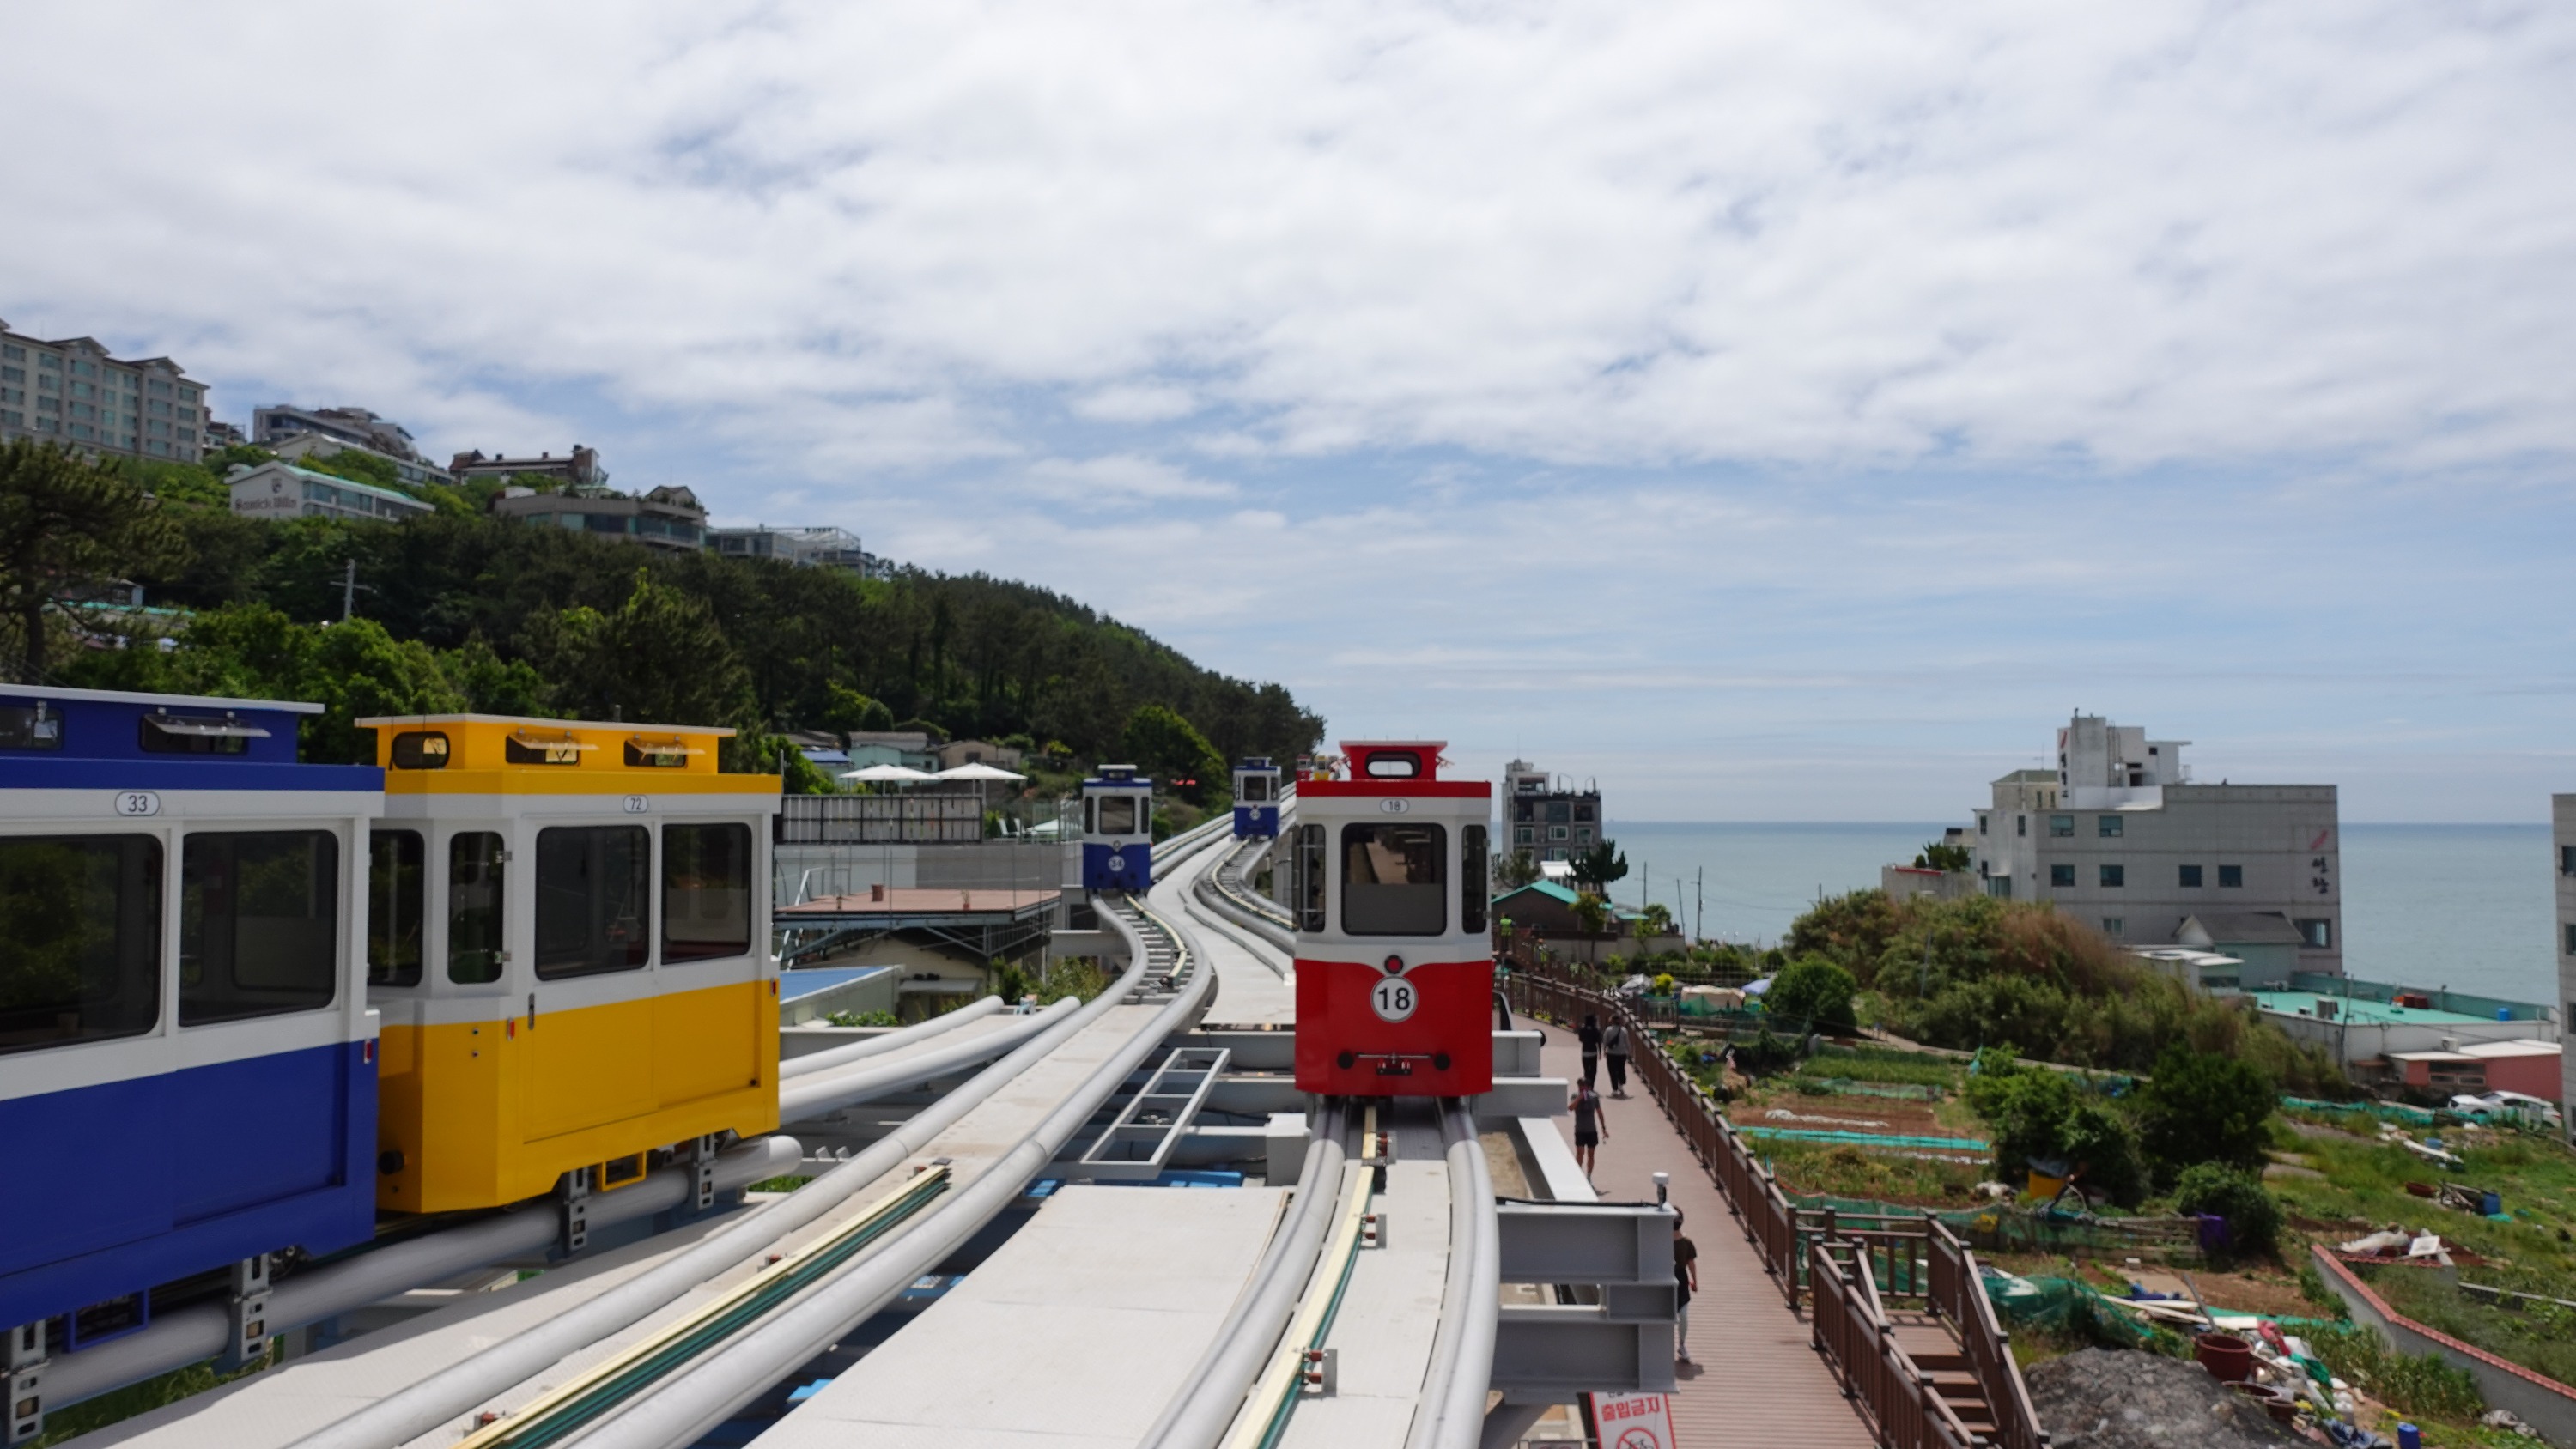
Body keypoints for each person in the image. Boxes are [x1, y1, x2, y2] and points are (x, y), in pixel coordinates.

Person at [1673, 1210, 1699, 1366]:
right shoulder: (1660, 1241)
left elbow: (1691, 1262)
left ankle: (1682, 1344)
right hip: (1664, 1278)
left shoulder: (1686, 1243)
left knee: (1683, 1315)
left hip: (1681, 1279)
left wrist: (1694, 1281)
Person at [1569, 1079, 1606, 1179]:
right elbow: (1570, 1108)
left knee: (1591, 1154)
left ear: (1588, 1087)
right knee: (1580, 1153)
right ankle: (1578, 1175)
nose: (1582, 1089)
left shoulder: (1594, 1098)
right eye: (1580, 1087)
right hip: (1580, 1130)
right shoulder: (1574, 1096)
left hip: (1591, 1131)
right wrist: (1579, 1098)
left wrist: (1603, 1128)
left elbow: (1599, 1112)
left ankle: (1589, 1176)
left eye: (1584, 1087)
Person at [1603, 1020, 1630, 1098]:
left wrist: (1604, 1049)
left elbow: (1605, 1041)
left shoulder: (1608, 1030)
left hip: (1611, 1054)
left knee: (1612, 1071)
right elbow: (1627, 1042)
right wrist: (1629, 1051)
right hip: (1622, 1053)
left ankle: (1614, 1089)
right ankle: (1621, 1085)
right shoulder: (1624, 1030)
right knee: (1621, 1069)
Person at [1577, 1014, 1602, 1089]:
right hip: (1593, 1052)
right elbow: (1599, 1041)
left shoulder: (1582, 1029)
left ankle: (1586, 1086)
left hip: (1585, 1051)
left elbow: (1580, 1039)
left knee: (1586, 1070)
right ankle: (1592, 1086)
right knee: (1593, 1070)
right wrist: (1600, 1052)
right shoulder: (1596, 1030)